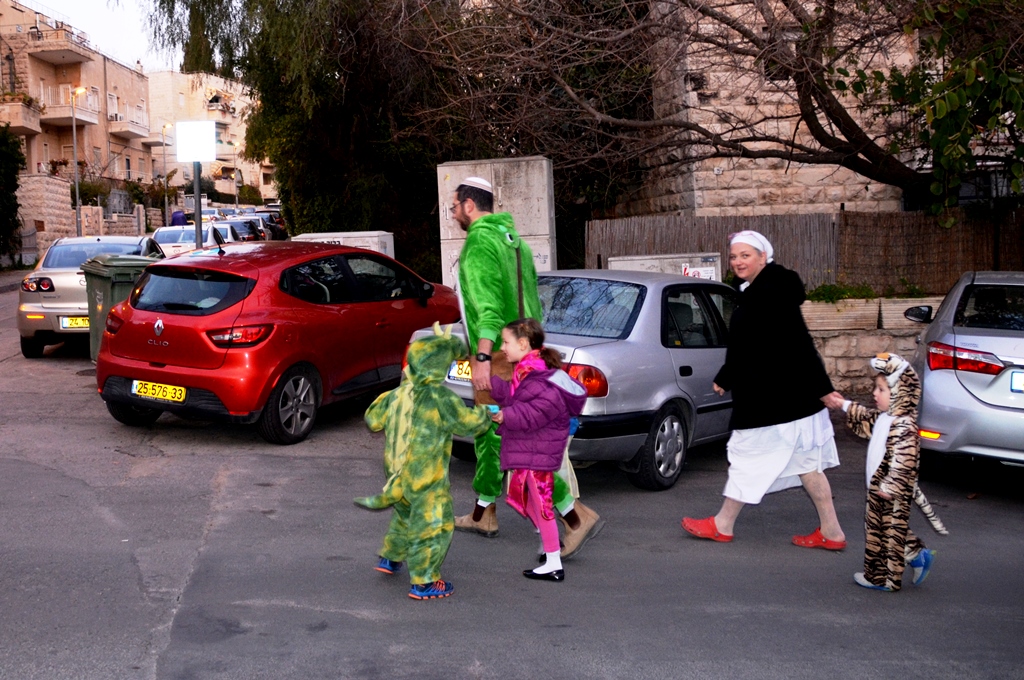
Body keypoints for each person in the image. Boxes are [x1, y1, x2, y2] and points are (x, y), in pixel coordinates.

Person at [450, 176, 602, 558]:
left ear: (470, 205)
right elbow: (532, 302)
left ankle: (574, 518)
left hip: (498, 357)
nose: (453, 214)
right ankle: (483, 512)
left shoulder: (478, 243)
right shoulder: (516, 243)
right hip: (524, 352)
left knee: (514, 446)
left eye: (454, 206)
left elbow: (486, 307)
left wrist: (483, 357)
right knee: (491, 438)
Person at [681, 230, 847, 548]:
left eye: (746, 255)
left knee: (748, 459)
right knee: (807, 465)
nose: (738, 261)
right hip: (789, 399)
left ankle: (722, 524)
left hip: (774, 401)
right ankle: (832, 531)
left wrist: (823, 389)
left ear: (762, 257)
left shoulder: (771, 292)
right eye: (734, 256)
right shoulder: (759, 290)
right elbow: (752, 345)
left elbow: (798, 344)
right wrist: (727, 375)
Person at [355, 324, 493, 600]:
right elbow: (469, 425)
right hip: (426, 478)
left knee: (405, 513)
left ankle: (390, 557)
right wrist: (485, 412)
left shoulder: (396, 395)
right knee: (434, 524)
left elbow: (372, 420)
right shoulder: (441, 398)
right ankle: (425, 580)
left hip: (396, 472)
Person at [826, 353, 938, 591]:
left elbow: (904, 461)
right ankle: (914, 556)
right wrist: (842, 404)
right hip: (878, 488)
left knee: (890, 531)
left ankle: (886, 579)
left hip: (890, 490)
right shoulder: (885, 417)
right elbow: (864, 417)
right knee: (881, 528)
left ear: (900, 393)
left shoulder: (904, 425)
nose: (874, 394)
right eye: (876, 388)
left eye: (881, 390)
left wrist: (891, 486)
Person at [489, 319, 588, 581]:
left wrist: (505, 416)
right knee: (530, 501)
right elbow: (517, 399)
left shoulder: (539, 376)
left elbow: (534, 412)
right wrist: (490, 384)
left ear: (523, 344)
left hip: (538, 451)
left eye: (506, 342)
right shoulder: (527, 371)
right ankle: (549, 545)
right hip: (532, 449)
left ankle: (553, 561)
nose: (502, 347)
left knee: (540, 503)